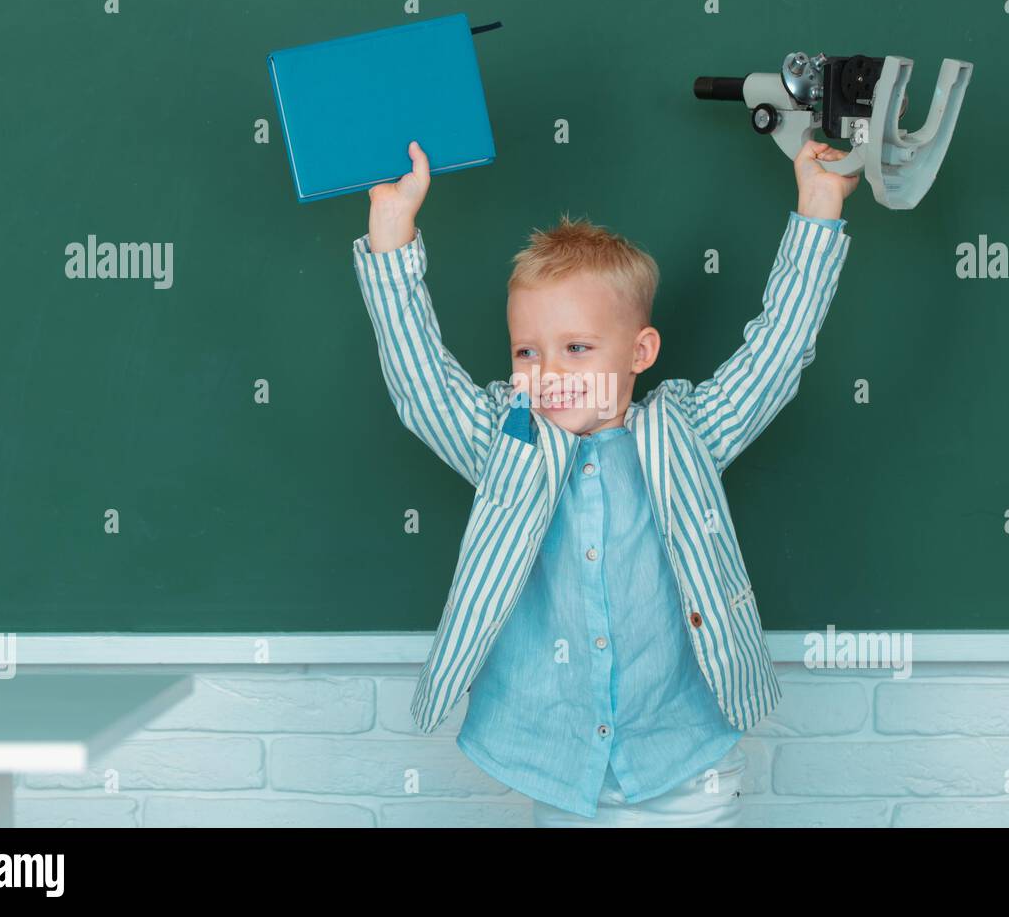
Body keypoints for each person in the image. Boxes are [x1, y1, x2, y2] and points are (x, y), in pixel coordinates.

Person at [351, 138, 857, 826]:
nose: (548, 373)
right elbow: (422, 385)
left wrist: (819, 206)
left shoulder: (687, 435)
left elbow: (776, 351)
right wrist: (391, 231)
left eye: (577, 348)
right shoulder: (509, 441)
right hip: (561, 768)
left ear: (639, 351)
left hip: (685, 759)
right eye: (527, 352)